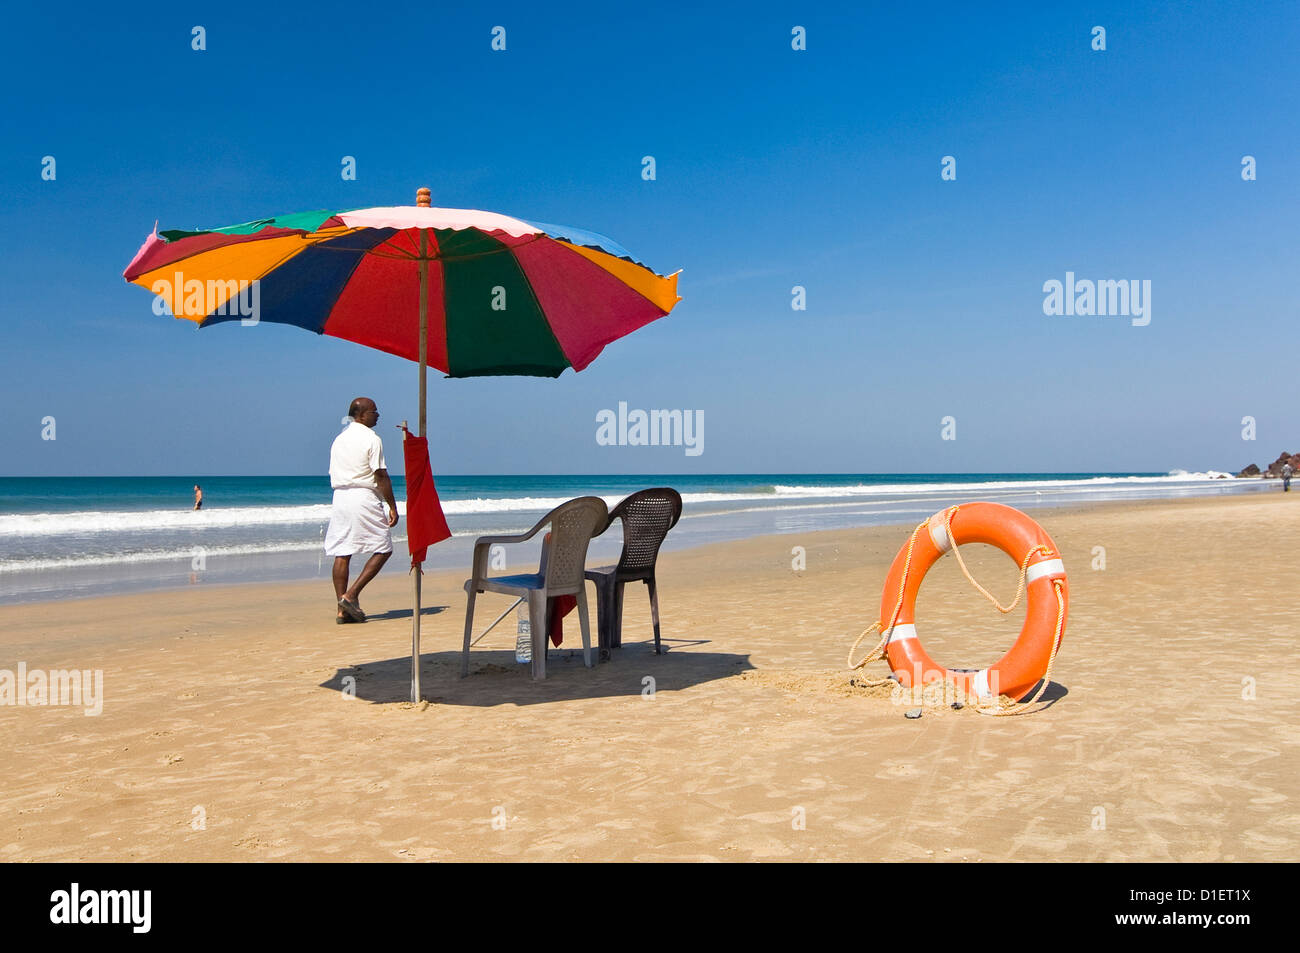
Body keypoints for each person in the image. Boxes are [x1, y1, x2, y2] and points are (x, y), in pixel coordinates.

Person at [324, 398, 399, 623]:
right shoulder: (371, 438)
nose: (378, 415)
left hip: (340, 498)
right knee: (384, 548)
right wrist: (392, 505)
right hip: (362, 496)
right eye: (374, 411)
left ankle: (342, 609)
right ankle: (351, 595)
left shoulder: (339, 439)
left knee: (343, 551)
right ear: (362, 415)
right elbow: (380, 474)